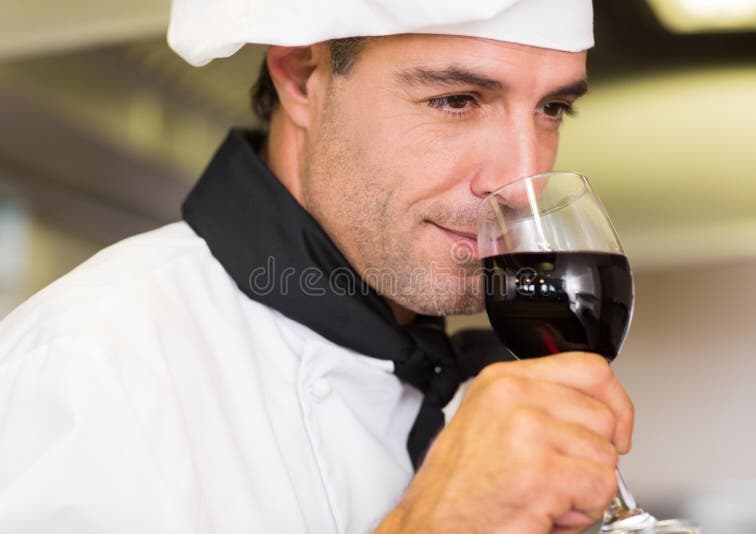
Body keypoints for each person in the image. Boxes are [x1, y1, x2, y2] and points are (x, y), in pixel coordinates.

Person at [0, 1, 634, 532]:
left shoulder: (470, 374)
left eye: (552, 109)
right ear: (301, 77)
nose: (519, 177)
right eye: (456, 99)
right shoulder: (93, 363)